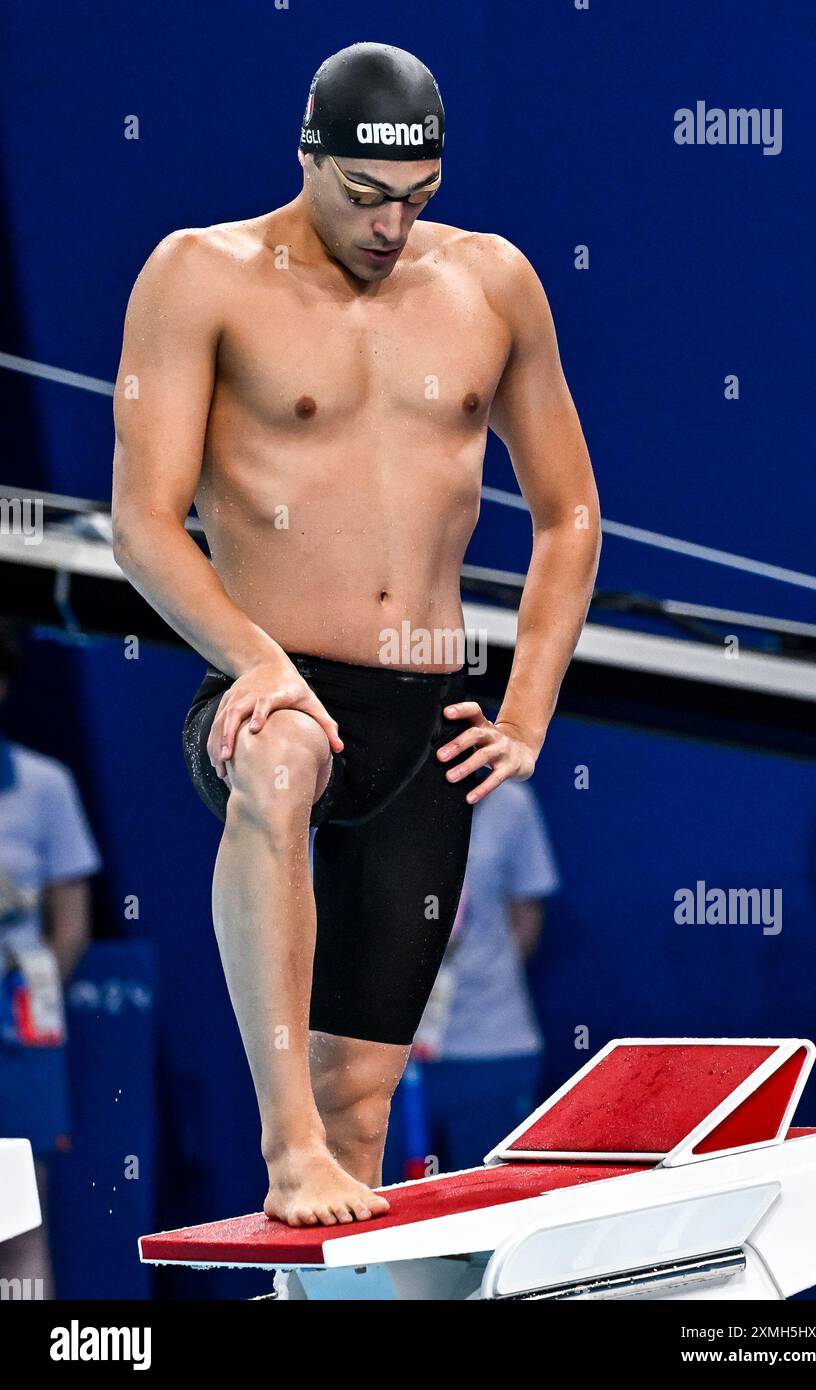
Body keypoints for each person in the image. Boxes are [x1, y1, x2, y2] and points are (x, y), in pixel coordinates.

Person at [112, 41, 601, 1228]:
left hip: (426, 708)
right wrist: (259, 661)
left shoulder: (492, 283)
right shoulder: (200, 275)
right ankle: (283, 1144)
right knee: (278, 759)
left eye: (416, 198)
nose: (391, 226)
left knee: (366, 1099)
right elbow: (140, 523)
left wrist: (527, 709)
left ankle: (323, 1187)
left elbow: (569, 513)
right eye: (365, 195)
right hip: (269, 678)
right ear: (307, 154)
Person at [0, 622, 101, 1296]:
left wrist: (27, 998)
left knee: (13, 1230)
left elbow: (71, 926)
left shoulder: (43, 786)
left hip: (14, 1048)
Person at [390, 777, 560, 1177]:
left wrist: (473, 981)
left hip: (493, 1048)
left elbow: (527, 914)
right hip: (387, 1056)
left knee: (492, 1212)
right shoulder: (364, 792)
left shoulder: (510, 802)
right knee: (382, 1214)